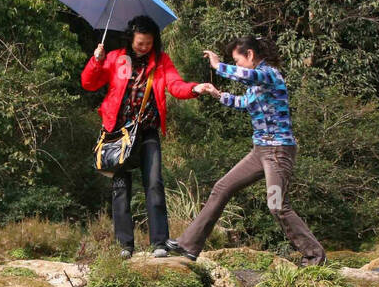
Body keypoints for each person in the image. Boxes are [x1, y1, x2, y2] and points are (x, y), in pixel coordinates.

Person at [165, 35, 325, 266]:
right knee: (222, 187)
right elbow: (242, 102)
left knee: (277, 204)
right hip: (259, 151)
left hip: (278, 152)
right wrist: (217, 94)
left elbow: (247, 75)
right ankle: (188, 246)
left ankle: (314, 256)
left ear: (250, 55)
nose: (237, 66)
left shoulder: (269, 74)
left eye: (238, 61)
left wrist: (218, 66)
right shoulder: (257, 85)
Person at [81, 15, 214, 258]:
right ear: (130, 38)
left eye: (149, 43)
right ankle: (125, 245)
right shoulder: (114, 57)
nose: (144, 47)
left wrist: (195, 88)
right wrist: (96, 61)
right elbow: (89, 83)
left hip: (147, 130)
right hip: (118, 133)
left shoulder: (161, 61)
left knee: (154, 183)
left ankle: (159, 243)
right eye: (140, 43)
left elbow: (175, 85)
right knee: (120, 186)